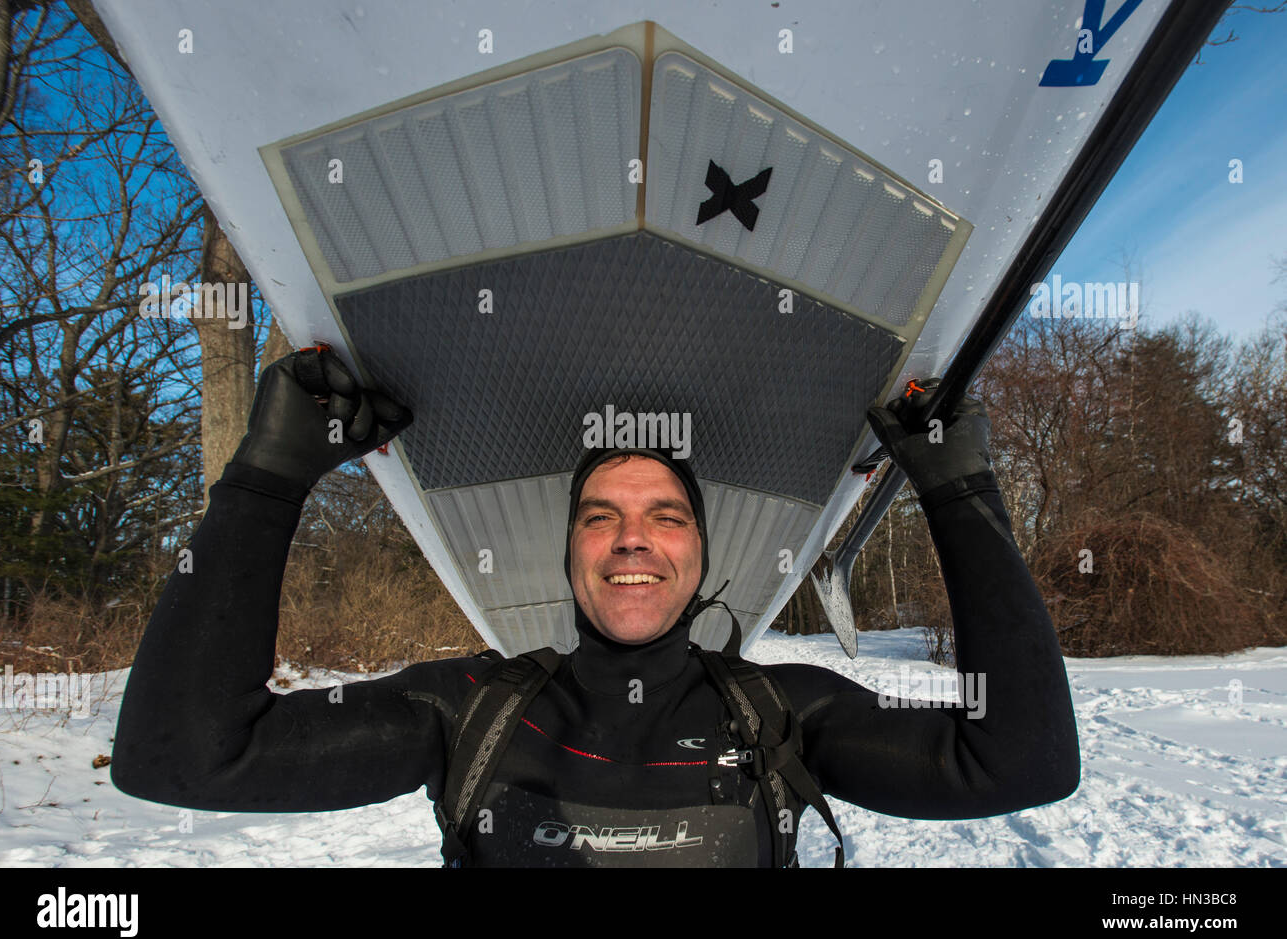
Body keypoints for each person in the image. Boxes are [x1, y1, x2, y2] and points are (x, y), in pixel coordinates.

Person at [112, 347, 1079, 867]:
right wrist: (268, 476)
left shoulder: (784, 714)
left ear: (700, 557)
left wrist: (958, 491)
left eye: (666, 516)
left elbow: (1024, 760)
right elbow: (183, 756)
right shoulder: (471, 713)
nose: (631, 539)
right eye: (600, 516)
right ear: (571, 551)